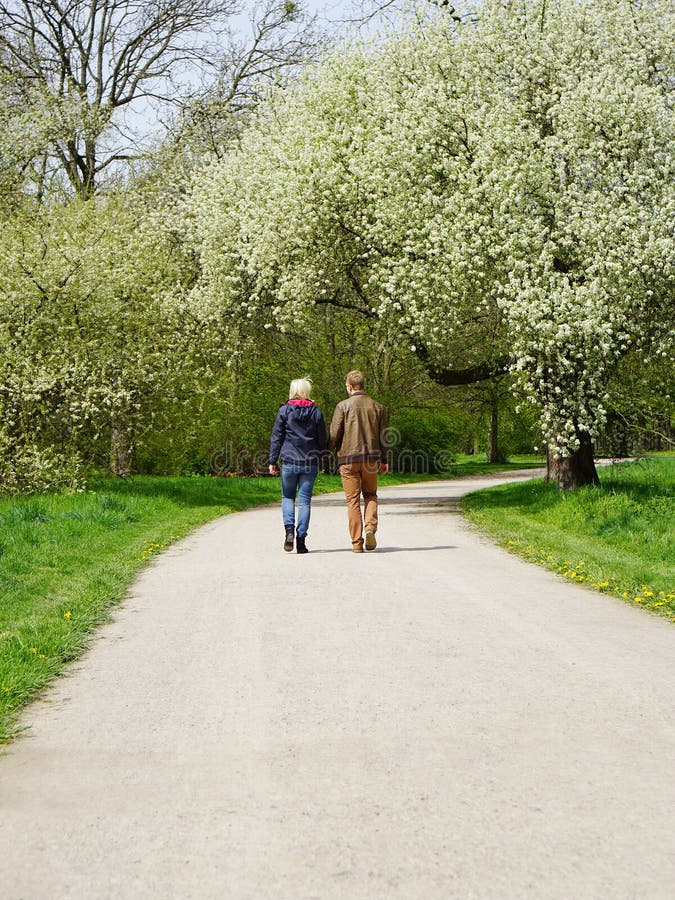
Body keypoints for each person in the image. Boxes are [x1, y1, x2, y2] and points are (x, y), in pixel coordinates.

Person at [329, 370, 389, 553]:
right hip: (371, 458)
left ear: (349, 386)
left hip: (348, 459)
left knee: (352, 500)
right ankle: (370, 528)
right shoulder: (378, 407)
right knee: (370, 495)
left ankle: (357, 543)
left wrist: (326, 453)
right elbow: (384, 437)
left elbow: (334, 434)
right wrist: (384, 460)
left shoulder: (342, 406)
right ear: (363, 385)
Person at [269, 377, 327, 554]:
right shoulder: (316, 412)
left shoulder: (284, 411)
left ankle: (289, 532)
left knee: (287, 497)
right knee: (304, 501)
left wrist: (272, 461)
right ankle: (301, 541)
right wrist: (322, 456)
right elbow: (322, 439)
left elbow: (277, 437)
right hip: (310, 462)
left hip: (289, 461)